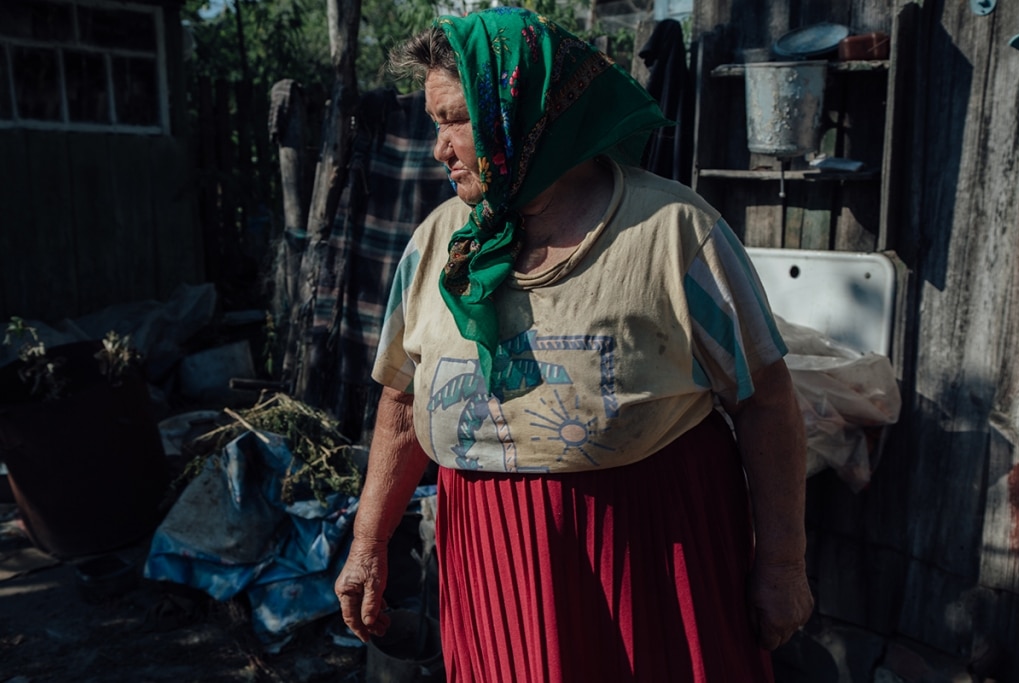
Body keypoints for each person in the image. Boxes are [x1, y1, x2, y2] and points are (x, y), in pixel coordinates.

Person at [335, 7, 813, 681]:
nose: (439, 149)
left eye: (454, 120)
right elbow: (402, 399)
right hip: (488, 562)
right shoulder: (438, 242)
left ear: (521, 115)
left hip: (647, 557)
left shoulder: (672, 232)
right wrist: (369, 542)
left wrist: (783, 564)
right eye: (434, 122)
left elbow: (765, 400)